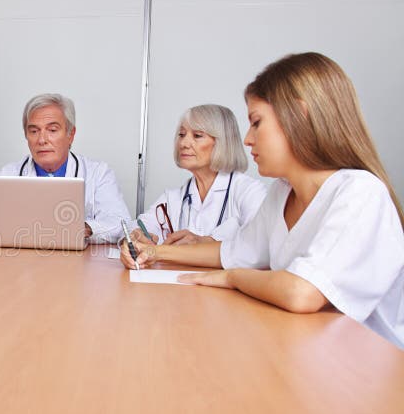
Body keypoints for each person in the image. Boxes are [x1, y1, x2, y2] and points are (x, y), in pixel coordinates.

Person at [121, 52, 404, 349]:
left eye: (256, 123)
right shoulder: (282, 193)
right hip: (310, 351)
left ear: (300, 116)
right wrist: (153, 252)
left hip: (371, 371)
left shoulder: (359, 192)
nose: (247, 139)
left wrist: (234, 279)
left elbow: (301, 292)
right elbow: (232, 252)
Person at [0, 93, 130, 243]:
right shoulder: (9, 174)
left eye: (52, 130)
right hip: (22, 266)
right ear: (26, 136)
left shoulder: (98, 173)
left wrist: (85, 228)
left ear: (70, 134)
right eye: (34, 131)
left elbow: (121, 224)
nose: (42, 140)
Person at [130, 105, 266, 245]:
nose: (184, 143)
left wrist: (205, 242)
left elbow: (259, 246)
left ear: (223, 142)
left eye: (197, 136)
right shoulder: (172, 198)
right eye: (182, 135)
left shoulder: (249, 191)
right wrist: (137, 236)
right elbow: (137, 226)